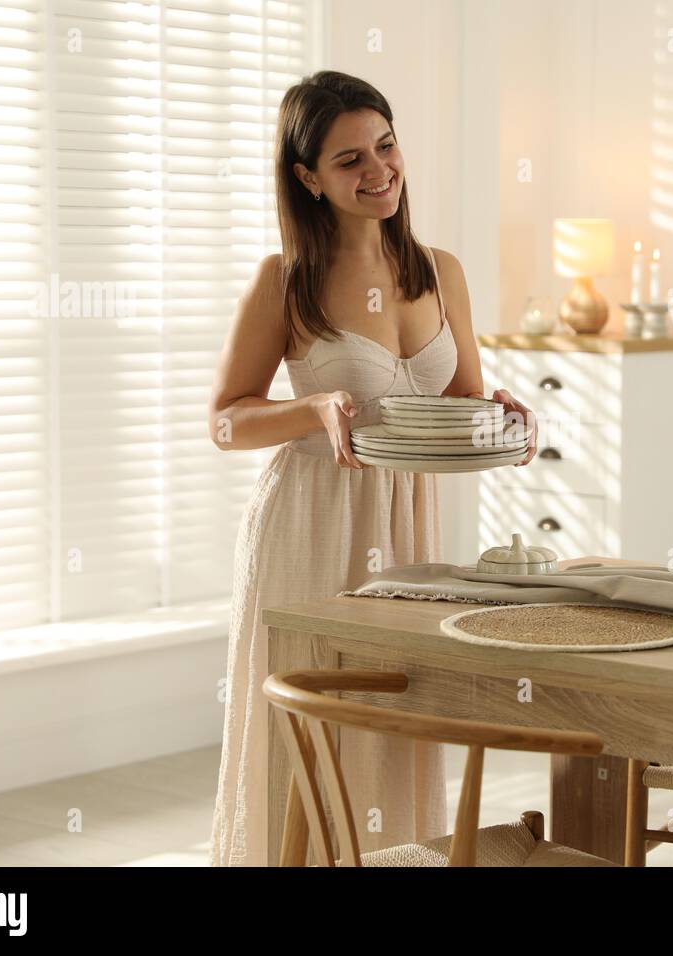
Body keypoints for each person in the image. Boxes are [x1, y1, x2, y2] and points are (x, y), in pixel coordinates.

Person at [207, 70, 537, 866]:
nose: (378, 170)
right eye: (349, 158)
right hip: (312, 524)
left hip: (408, 530)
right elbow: (226, 419)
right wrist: (312, 412)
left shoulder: (438, 270)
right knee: (315, 719)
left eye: (386, 146)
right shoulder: (284, 282)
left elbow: (458, 400)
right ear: (307, 178)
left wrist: (503, 413)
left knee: (396, 713)